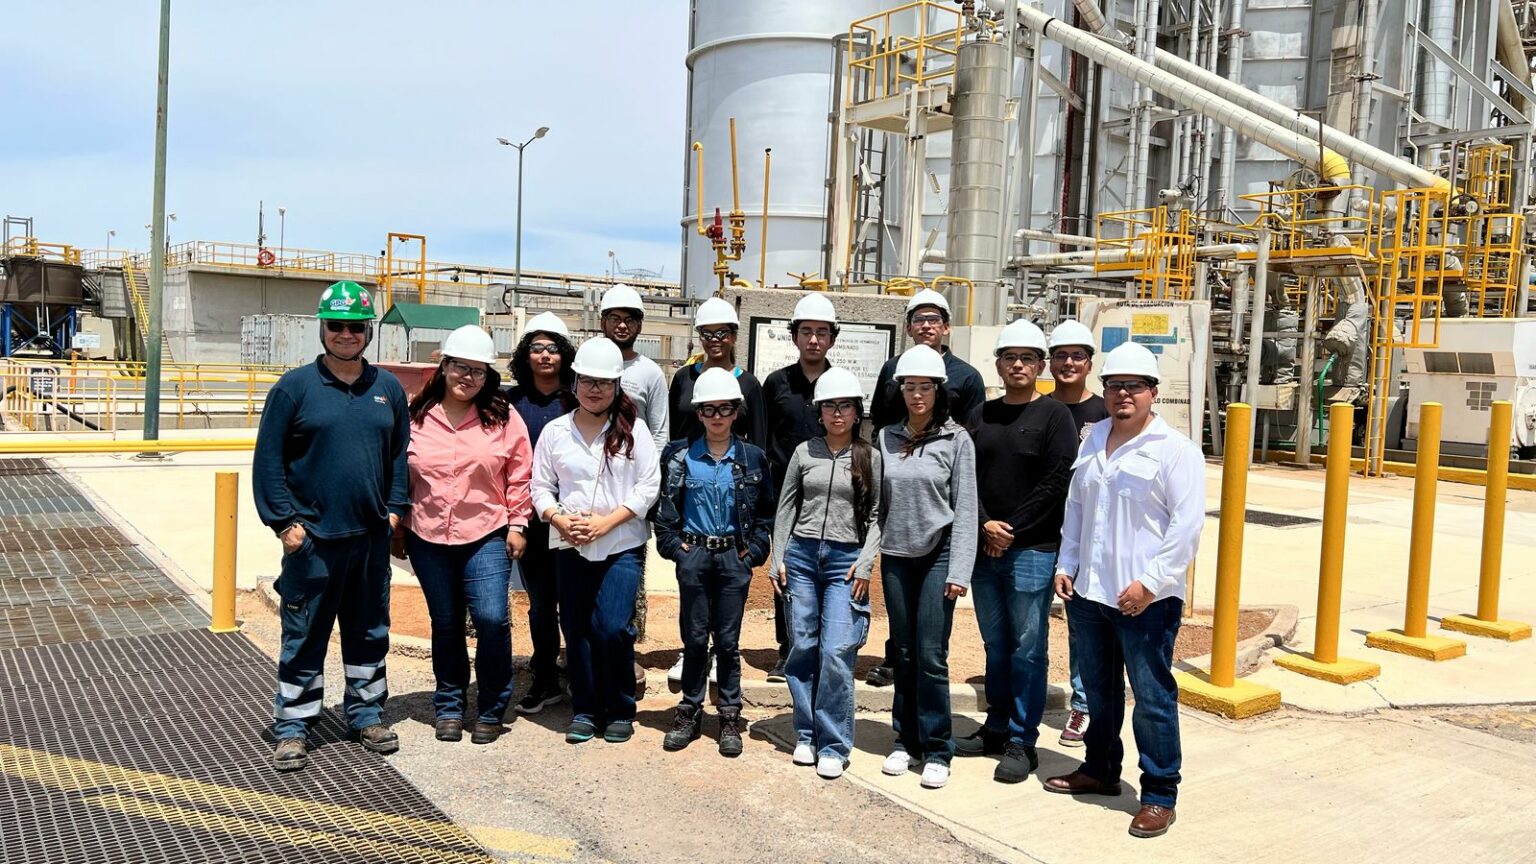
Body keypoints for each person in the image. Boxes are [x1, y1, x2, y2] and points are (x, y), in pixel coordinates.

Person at [1046, 342, 1205, 839]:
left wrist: (1151, 584)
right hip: (1091, 593)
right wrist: (1066, 562)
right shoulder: (1092, 439)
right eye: (1115, 386)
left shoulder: (1176, 450)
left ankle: (1159, 793)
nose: (1123, 395)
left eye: (1134, 387)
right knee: (1099, 690)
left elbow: (1187, 527)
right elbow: (1077, 509)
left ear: (1153, 393)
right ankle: (1099, 769)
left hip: (1145, 601)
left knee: (1153, 696)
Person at [254, 280, 409, 772]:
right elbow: (269, 462)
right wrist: (285, 524)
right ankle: (295, 726)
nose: (346, 335)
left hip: (367, 540)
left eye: (356, 327)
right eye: (337, 326)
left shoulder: (386, 390)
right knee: (305, 635)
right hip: (313, 541)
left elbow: (399, 455)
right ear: (323, 329)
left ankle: (365, 714)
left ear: (368, 332)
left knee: (368, 632)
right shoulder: (294, 388)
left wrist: (394, 508)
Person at [955, 320, 1078, 783]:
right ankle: (996, 726)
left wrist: (1011, 529)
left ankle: (1022, 742)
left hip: (1032, 550)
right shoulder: (982, 415)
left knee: (1028, 647)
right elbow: (965, 477)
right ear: (999, 365)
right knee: (996, 644)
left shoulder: (1054, 417)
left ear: (1040, 366)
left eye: (1028, 358)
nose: (1019, 365)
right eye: (1011, 358)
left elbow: (1056, 480)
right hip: (988, 550)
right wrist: (985, 523)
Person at [398, 326, 532, 746]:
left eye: (478, 370)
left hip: (486, 533)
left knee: (492, 619)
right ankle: (450, 704)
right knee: (446, 622)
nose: (468, 377)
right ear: (444, 366)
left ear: (487, 376)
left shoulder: (503, 416)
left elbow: (519, 472)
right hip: (428, 534)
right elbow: (399, 471)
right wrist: (398, 524)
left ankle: (492, 706)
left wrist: (517, 523)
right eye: (460, 366)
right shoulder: (417, 413)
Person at [530, 337, 660, 745]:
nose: (595, 389)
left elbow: (647, 488)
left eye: (605, 382)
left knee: (612, 628)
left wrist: (606, 524)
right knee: (576, 628)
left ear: (617, 386)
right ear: (575, 382)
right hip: (569, 544)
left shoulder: (634, 430)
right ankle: (585, 709)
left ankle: (620, 707)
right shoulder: (555, 432)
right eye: (587, 380)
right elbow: (539, 488)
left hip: (620, 543)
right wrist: (559, 519)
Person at [652, 368, 775, 758]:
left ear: (737, 412)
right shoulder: (679, 455)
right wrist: (675, 548)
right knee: (693, 638)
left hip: (733, 557)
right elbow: (665, 508)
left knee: (728, 642)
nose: (717, 416)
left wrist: (754, 551)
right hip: (694, 554)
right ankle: (688, 710)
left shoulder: (753, 458)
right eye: (708, 410)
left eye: (725, 409)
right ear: (698, 413)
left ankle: (729, 714)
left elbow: (765, 514)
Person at [866, 288, 985, 688]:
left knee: (931, 650)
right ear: (908, 327)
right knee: (904, 642)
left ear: (946, 326)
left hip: (939, 511)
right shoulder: (891, 372)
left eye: (934, 319)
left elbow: (971, 433)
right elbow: (881, 425)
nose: (927, 325)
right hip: (900, 530)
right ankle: (905, 730)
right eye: (919, 319)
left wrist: (960, 567)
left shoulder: (966, 378)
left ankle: (934, 740)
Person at [771, 367, 882, 780]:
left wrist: (866, 562)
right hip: (800, 557)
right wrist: (778, 556)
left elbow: (876, 515)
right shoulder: (805, 452)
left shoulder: (869, 456)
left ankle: (834, 743)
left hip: (845, 562)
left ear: (857, 412)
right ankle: (806, 734)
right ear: (820, 412)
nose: (838, 413)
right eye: (831, 406)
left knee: (836, 650)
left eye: (846, 406)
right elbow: (787, 507)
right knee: (802, 645)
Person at [876, 345, 978, 790]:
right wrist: (866, 560)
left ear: (940, 391)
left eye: (925, 387)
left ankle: (938, 748)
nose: (917, 395)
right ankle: (907, 741)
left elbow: (967, 508)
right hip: (896, 557)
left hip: (938, 556)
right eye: (909, 387)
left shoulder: (957, 441)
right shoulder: (886, 437)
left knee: (932, 656)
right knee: (903, 653)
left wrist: (959, 572)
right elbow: (878, 508)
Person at [761, 292, 842, 683]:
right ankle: (788, 646)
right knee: (787, 568)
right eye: (806, 331)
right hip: (785, 493)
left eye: (821, 332)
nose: (813, 339)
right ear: (794, 336)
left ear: (832, 338)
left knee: (828, 569)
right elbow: (763, 440)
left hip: (833, 495)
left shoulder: (840, 384)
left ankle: (824, 645)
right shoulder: (776, 383)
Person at [505, 312, 578, 715]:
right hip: (530, 519)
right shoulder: (511, 402)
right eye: (537, 347)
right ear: (525, 354)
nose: (545, 355)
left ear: (565, 354)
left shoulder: (578, 398)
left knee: (575, 600)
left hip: (573, 521)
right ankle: (545, 675)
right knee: (540, 602)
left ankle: (580, 674)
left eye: (553, 348)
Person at [1047, 318, 1108, 747]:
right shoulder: (1040, 407)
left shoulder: (1104, 412)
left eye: (1076, 356)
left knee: (1082, 624)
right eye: (1061, 355)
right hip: (1042, 530)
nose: (1068, 363)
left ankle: (1083, 705)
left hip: (1087, 533)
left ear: (1089, 363)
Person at [667, 297, 768, 448]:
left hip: (732, 469)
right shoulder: (683, 377)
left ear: (734, 337)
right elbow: (672, 430)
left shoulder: (749, 385)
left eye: (722, 333)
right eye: (707, 334)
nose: (714, 339)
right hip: (686, 468)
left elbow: (758, 443)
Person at [599, 283, 669, 453]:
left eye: (630, 320)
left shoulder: (651, 373)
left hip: (634, 467)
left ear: (639, 326)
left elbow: (659, 433)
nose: (622, 326)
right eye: (615, 318)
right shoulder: (589, 366)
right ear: (603, 323)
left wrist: (653, 472)